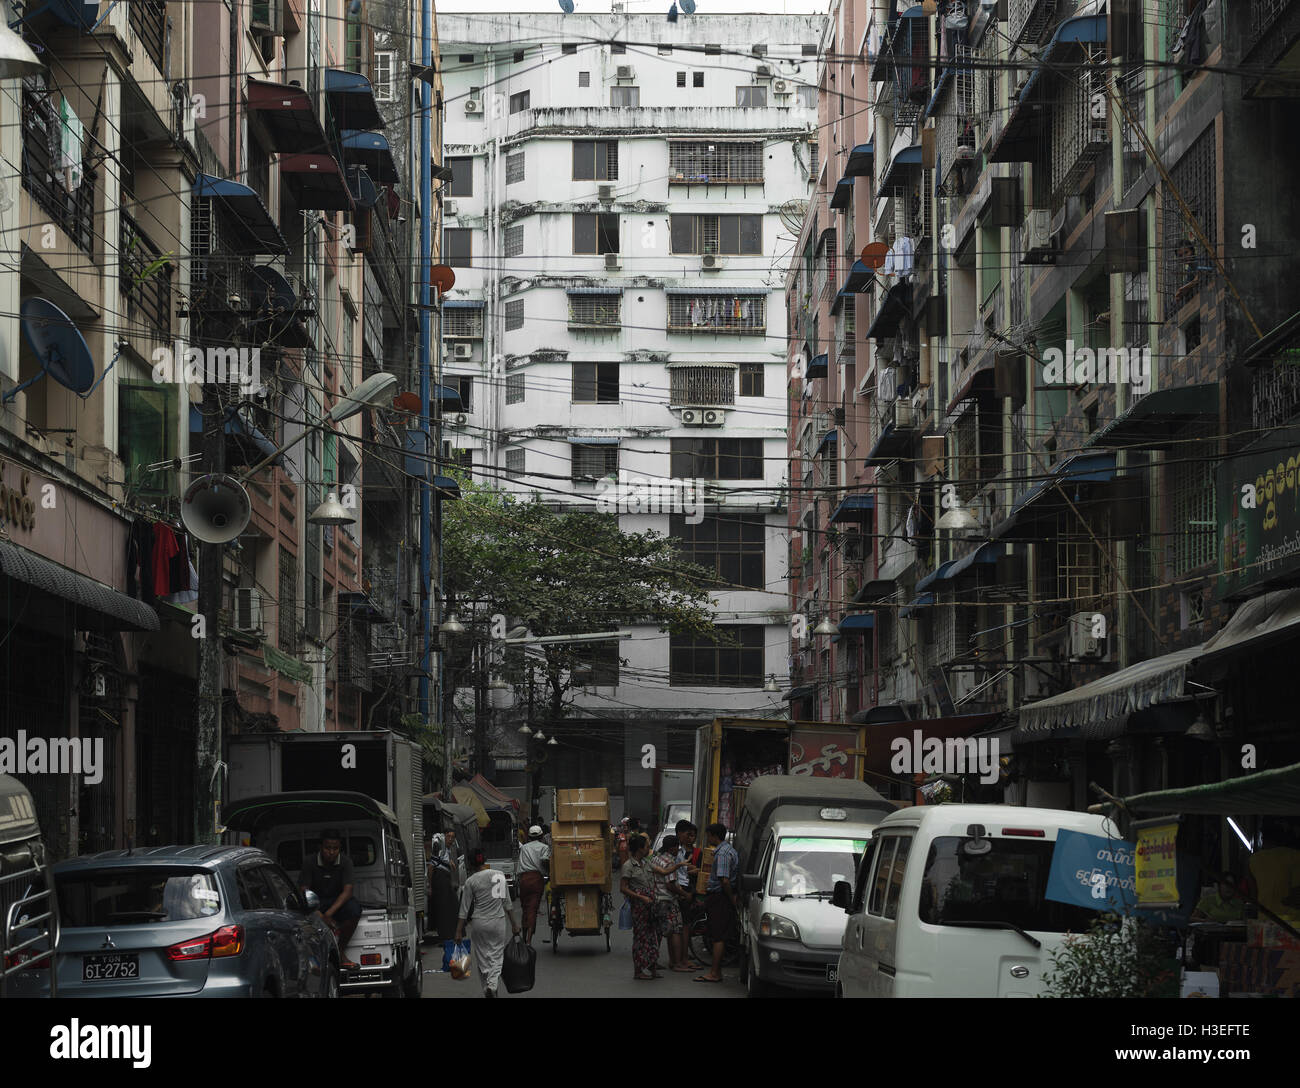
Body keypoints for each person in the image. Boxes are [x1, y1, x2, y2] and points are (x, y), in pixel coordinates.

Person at [454, 848, 520, 998]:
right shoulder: (499, 876)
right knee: (497, 956)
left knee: (483, 958)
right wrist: (515, 924)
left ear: (470, 864)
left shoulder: (471, 881)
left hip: (479, 923)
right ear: (484, 860)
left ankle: (487, 989)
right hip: (498, 922)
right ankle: (492, 985)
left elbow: (464, 910)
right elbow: (507, 904)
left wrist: (458, 931)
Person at [299, 829, 362, 969]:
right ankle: (314, 958)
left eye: (335, 848)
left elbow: (348, 891)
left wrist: (328, 915)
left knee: (354, 909)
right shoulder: (309, 861)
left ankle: (340, 951)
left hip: (336, 902)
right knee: (302, 909)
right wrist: (320, 916)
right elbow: (304, 891)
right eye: (328, 848)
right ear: (320, 847)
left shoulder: (345, 862)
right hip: (316, 901)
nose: (332, 852)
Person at [695, 822, 738, 984]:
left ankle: (714, 973)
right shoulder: (728, 850)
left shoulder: (722, 854)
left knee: (718, 936)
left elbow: (724, 880)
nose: (708, 838)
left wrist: (730, 898)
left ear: (714, 835)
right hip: (721, 896)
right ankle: (716, 971)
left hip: (720, 897)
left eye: (709, 835)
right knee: (719, 934)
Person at [619, 834, 660, 981]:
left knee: (652, 937)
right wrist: (640, 897)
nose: (648, 848)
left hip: (650, 906)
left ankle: (652, 967)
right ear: (639, 849)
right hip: (639, 908)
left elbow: (663, 872)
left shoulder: (646, 863)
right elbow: (623, 888)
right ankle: (638, 970)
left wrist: (680, 866)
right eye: (646, 846)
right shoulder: (628, 866)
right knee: (641, 938)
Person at [1249, 819, 1300, 925]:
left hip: (1265, 919)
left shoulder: (1254, 860)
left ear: (1263, 839)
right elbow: (1296, 892)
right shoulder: (1294, 856)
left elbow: (1253, 893)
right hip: (1291, 922)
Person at [651, 834, 690, 971]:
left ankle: (657, 961)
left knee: (661, 932)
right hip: (668, 900)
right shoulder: (670, 862)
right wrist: (685, 894)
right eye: (677, 847)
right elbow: (670, 885)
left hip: (656, 898)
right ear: (673, 848)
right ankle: (677, 963)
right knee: (675, 931)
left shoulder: (656, 859)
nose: (678, 849)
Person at [517, 825, 550, 946]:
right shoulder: (544, 847)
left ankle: (524, 937)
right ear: (541, 836)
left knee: (525, 908)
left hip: (524, 879)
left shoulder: (524, 848)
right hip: (536, 879)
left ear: (529, 836)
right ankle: (529, 940)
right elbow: (545, 861)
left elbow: (520, 866)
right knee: (532, 909)